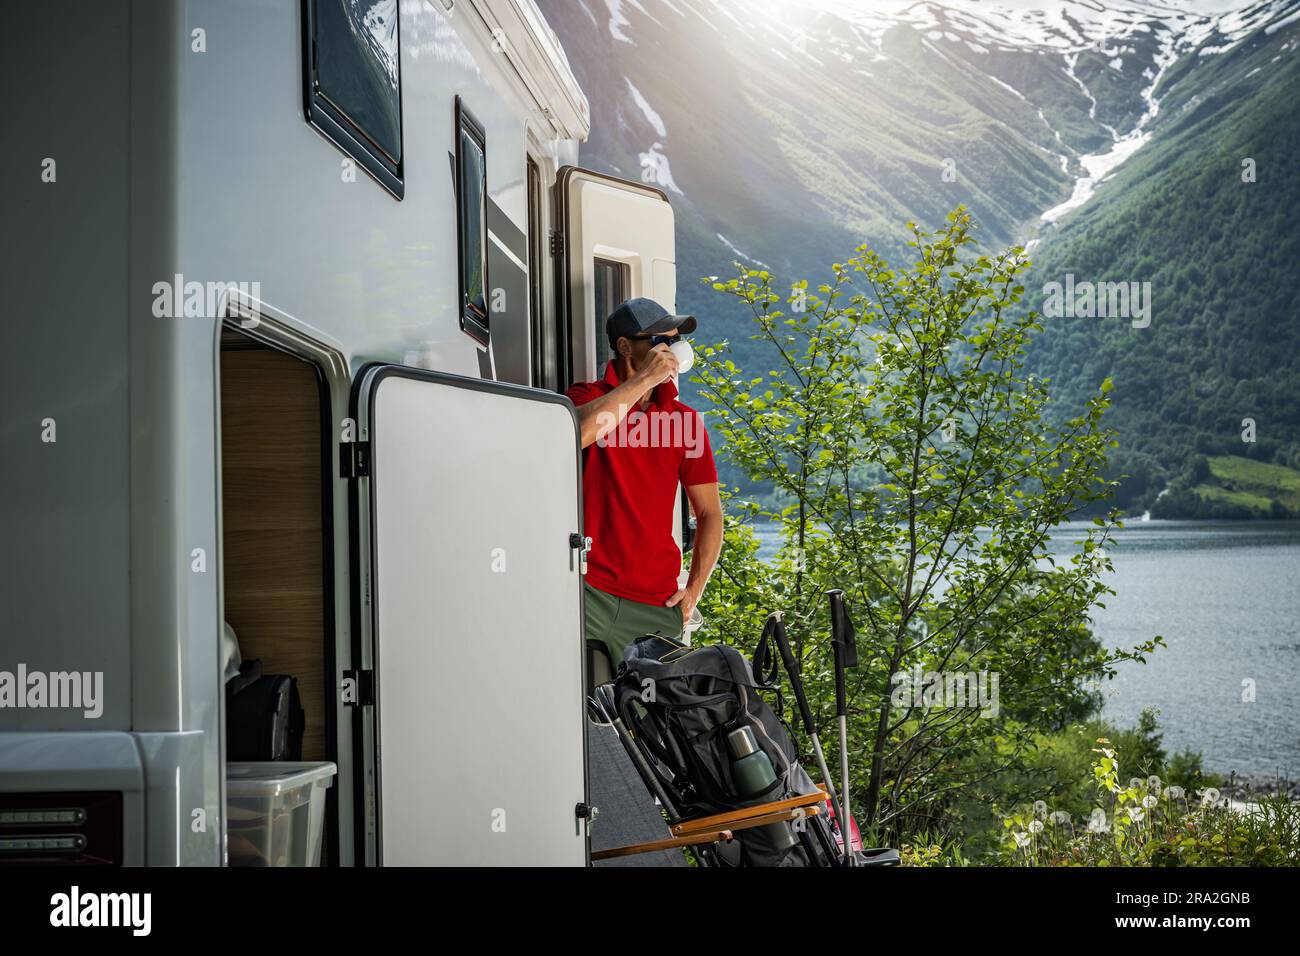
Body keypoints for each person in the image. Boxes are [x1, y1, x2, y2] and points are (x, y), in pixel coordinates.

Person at [565, 297, 723, 670]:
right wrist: (644, 380)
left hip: (655, 605)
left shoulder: (684, 422)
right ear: (625, 347)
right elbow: (580, 432)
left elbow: (711, 515)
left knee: (651, 721)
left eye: (675, 340)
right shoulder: (586, 397)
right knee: (585, 714)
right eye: (660, 341)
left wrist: (693, 593)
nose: (672, 350)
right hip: (588, 594)